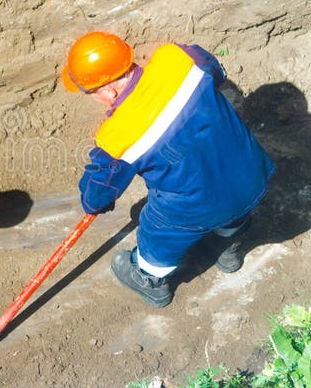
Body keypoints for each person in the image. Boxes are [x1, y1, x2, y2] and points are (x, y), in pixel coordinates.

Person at [62, 32, 274, 307]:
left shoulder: (117, 137)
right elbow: (216, 71)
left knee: (158, 227)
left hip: (201, 208)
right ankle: (229, 244)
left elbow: (96, 197)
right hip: (252, 176)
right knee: (231, 199)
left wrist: (95, 202)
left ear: (108, 91)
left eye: (90, 93)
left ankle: (150, 279)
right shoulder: (178, 57)